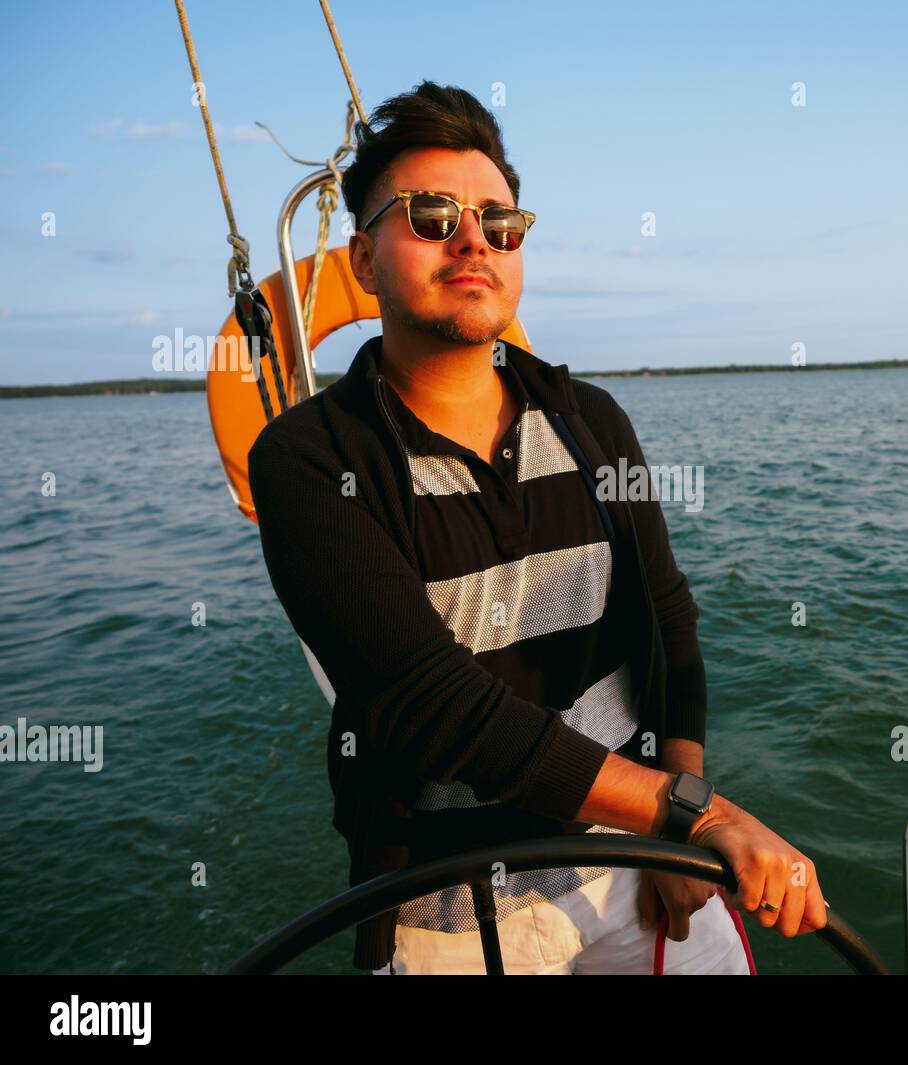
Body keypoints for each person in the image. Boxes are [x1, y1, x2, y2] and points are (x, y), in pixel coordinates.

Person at [246, 80, 826, 974]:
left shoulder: (592, 421)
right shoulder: (308, 460)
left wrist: (680, 811)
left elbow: (670, 622)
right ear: (362, 259)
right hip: (452, 913)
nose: (473, 239)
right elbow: (433, 707)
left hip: (639, 863)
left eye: (501, 222)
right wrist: (695, 812)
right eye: (432, 215)